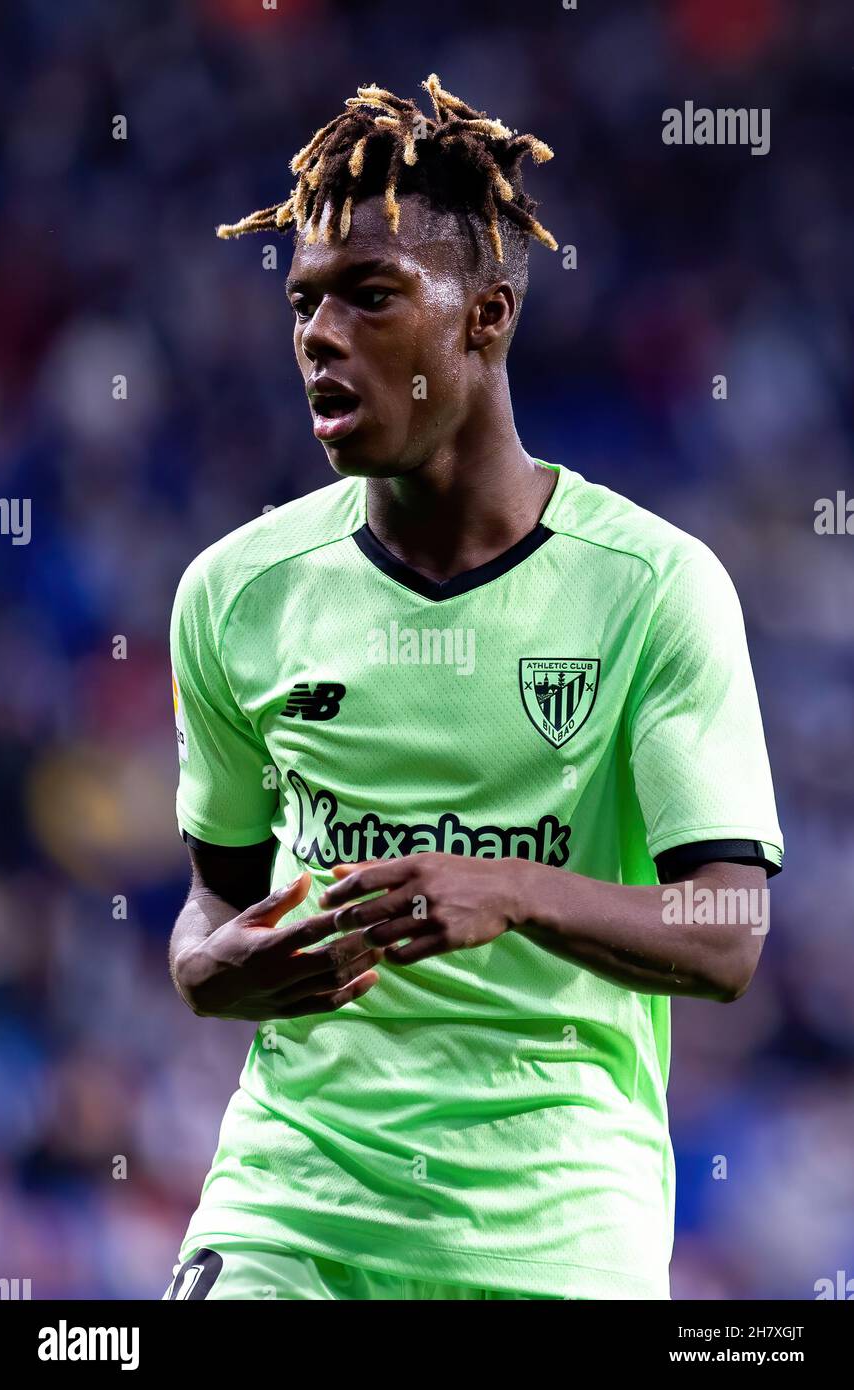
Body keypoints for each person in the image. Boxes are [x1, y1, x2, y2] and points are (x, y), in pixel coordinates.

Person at [163, 75, 783, 1301]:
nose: (319, 334)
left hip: (554, 1235)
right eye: (303, 304)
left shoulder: (652, 587)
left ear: (485, 317)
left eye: (370, 296)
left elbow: (725, 936)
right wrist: (204, 968)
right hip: (292, 1214)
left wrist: (508, 890)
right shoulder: (234, 594)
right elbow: (208, 904)